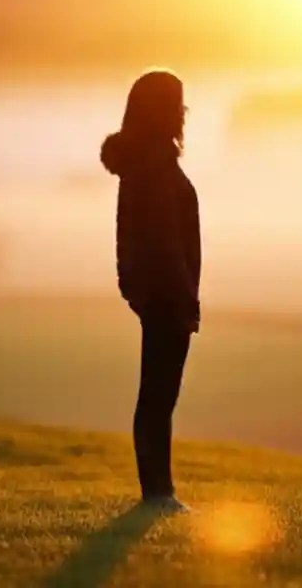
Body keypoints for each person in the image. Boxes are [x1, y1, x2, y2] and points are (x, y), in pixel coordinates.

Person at [100, 70, 201, 513]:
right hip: (167, 298)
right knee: (159, 396)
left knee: (159, 395)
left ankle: (160, 491)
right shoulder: (153, 167)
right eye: (177, 104)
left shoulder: (149, 163)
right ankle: (158, 494)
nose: (183, 113)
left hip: (163, 296)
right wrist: (182, 301)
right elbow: (162, 243)